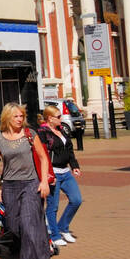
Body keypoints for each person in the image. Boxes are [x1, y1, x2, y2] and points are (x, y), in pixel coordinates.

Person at [0, 103, 51, 259]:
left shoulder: (30, 134)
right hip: (10, 186)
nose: (20, 119)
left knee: (28, 224)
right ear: (7, 118)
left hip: (31, 184)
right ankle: (36, 245)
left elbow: (43, 158)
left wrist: (44, 182)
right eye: (16, 117)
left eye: (21, 116)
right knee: (12, 225)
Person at [37, 104, 81, 245]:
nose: (61, 118)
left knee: (76, 200)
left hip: (66, 172)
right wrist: (48, 175)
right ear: (50, 119)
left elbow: (69, 149)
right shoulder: (42, 132)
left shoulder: (61, 130)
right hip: (53, 173)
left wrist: (74, 166)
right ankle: (55, 236)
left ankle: (63, 228)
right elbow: (42, 155)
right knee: (53, 206)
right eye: (58, 117)